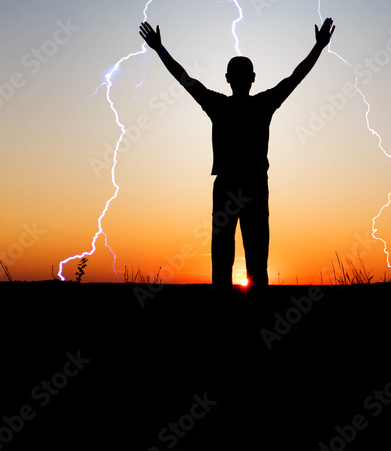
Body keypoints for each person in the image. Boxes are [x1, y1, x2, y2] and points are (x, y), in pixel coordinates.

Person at [138, 17, 335, 291]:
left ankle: (233, 317)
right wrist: (319, 48)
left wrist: (160, 49)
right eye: (241, 75)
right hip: (247, 186)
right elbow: (295, 78)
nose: (242, 80)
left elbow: (186, 80)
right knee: (241, 260)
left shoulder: (223, 104)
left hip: (238, 187)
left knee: (233, 259)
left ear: (231, 79)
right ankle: (245, 318)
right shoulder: (254, 104)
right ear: (247, 79)